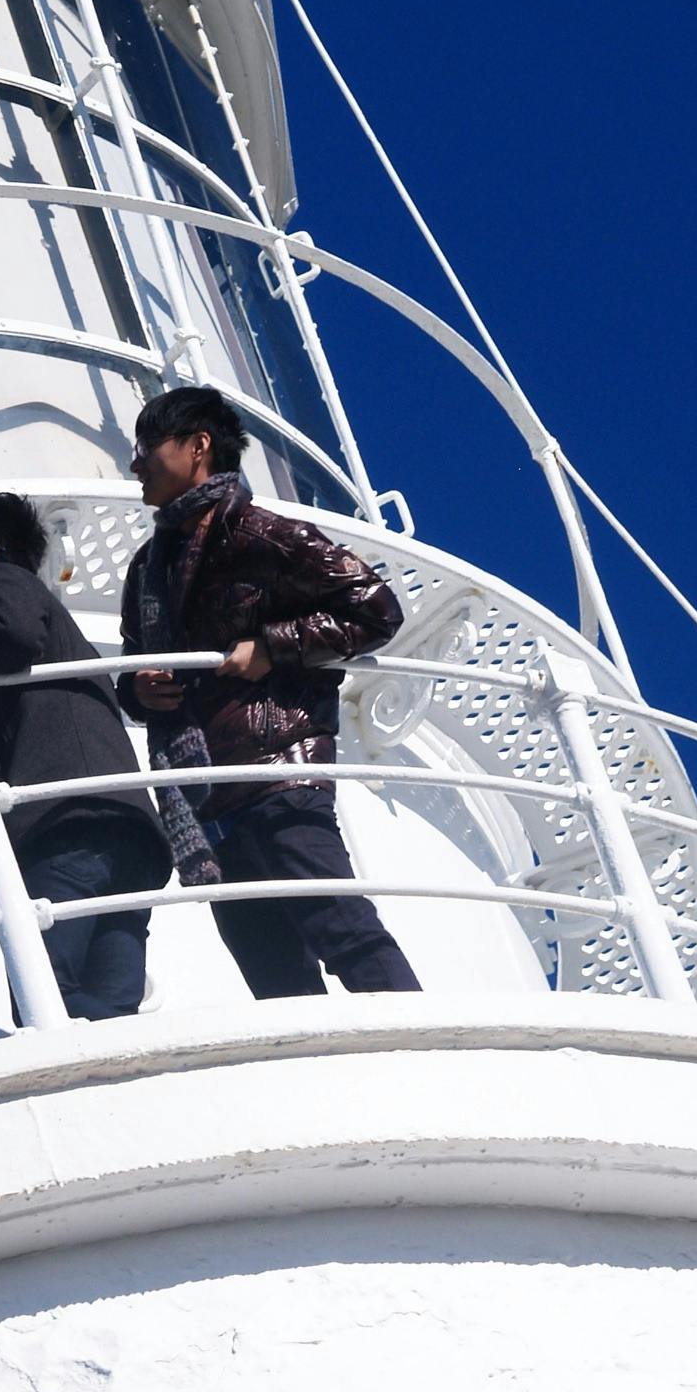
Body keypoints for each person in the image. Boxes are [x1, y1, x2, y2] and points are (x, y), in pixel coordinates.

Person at [118, 386, 422, 998]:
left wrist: (274, 646)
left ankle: (433, 1059)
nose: (135, 463)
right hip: (205, 802)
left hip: (280, 772)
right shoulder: (147, 566)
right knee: (272, 974)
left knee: (343, 929)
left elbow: (376, 609)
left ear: (199, 446)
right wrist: (138, 690)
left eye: (148, 446)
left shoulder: (262, 533)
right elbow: (134, 664)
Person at [0, 491, 171, 1020]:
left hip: (69, 824)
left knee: (42, 997)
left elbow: (12, 635)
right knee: (114, 1002)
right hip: (127, 829)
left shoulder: (2, 582)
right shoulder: (47, 607)